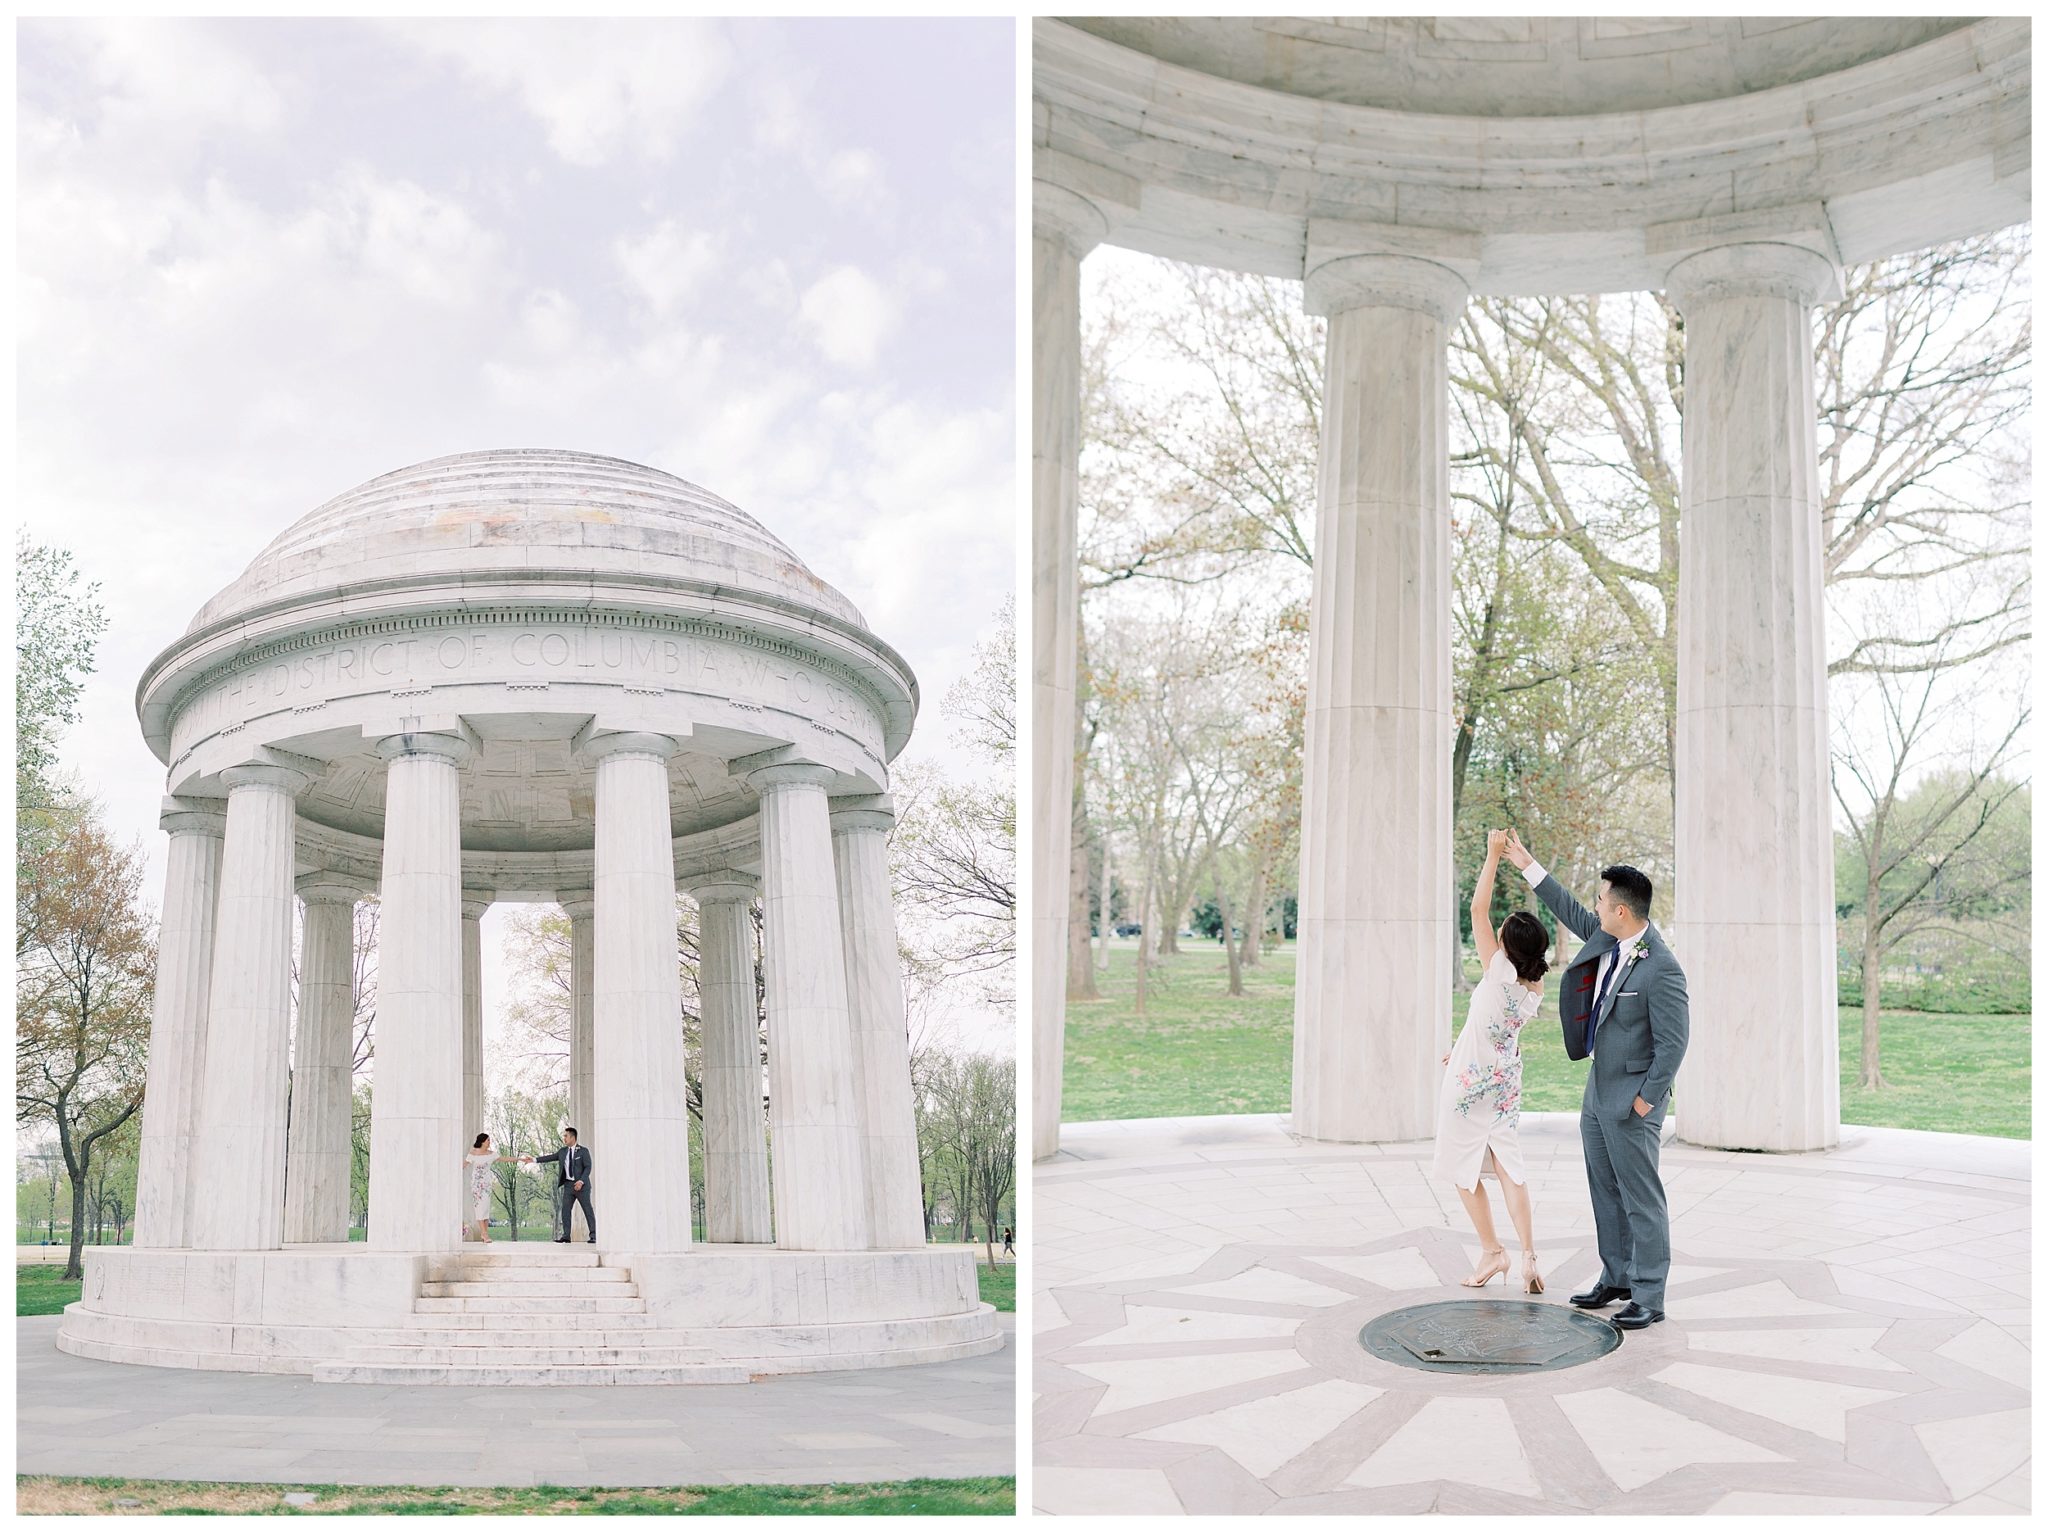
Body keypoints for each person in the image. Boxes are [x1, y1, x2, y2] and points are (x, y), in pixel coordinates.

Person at [1502, 829, 1689, 1330]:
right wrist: (1527, 863)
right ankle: (1618, 1277)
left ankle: (1649, 1295)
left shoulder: (1662, 969)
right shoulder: (1609, 937)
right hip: (1596, 1093)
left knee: (1640, 1196)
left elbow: (1674, 1044)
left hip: (1632, 1102)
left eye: (1602, 899)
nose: (1596, 906)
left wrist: (1648, 1101)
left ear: (1621, 911)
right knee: (1605, 1189)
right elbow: (1569, 909)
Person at [1432, 829, 1548, 1295]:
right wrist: (1461, 1044)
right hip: (1503, 1085)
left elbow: (1477, 909)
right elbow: (1495, 1030)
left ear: (1506, 948)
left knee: (1459, 1168)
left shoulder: (1496, 969)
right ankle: (1530, 1256)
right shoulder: (1534, 988)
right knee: (1508, 1167)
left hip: (1468, 1086)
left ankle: (1492, 1250)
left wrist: (1492, 855)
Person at [523, 1126, 594, 1244]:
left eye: (566, 1136)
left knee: (588, 1210)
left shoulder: (583, 1151)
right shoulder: (562, 1152)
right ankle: (566, 1236)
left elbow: (588, 1167)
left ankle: (593, 1235)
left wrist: (581, 1181)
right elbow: (550, 1157)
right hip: (568, 1186)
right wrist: (533, 1160)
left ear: (573, 1137)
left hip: (582, 1186)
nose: (564, 1138)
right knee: (565, 1211)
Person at [462, 1132, 520, 1244]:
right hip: (476, 1185)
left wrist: (519, 1159)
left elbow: (504, 1159)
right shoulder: (473, 1153)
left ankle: (485, 1234)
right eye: (488, 1140)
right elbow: (463, 1165)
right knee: (479, 1209)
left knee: (485, 1209)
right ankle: (484, 1233)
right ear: (483, 1141)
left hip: (487, 1185)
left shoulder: (491, 1154)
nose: (489, 1142)